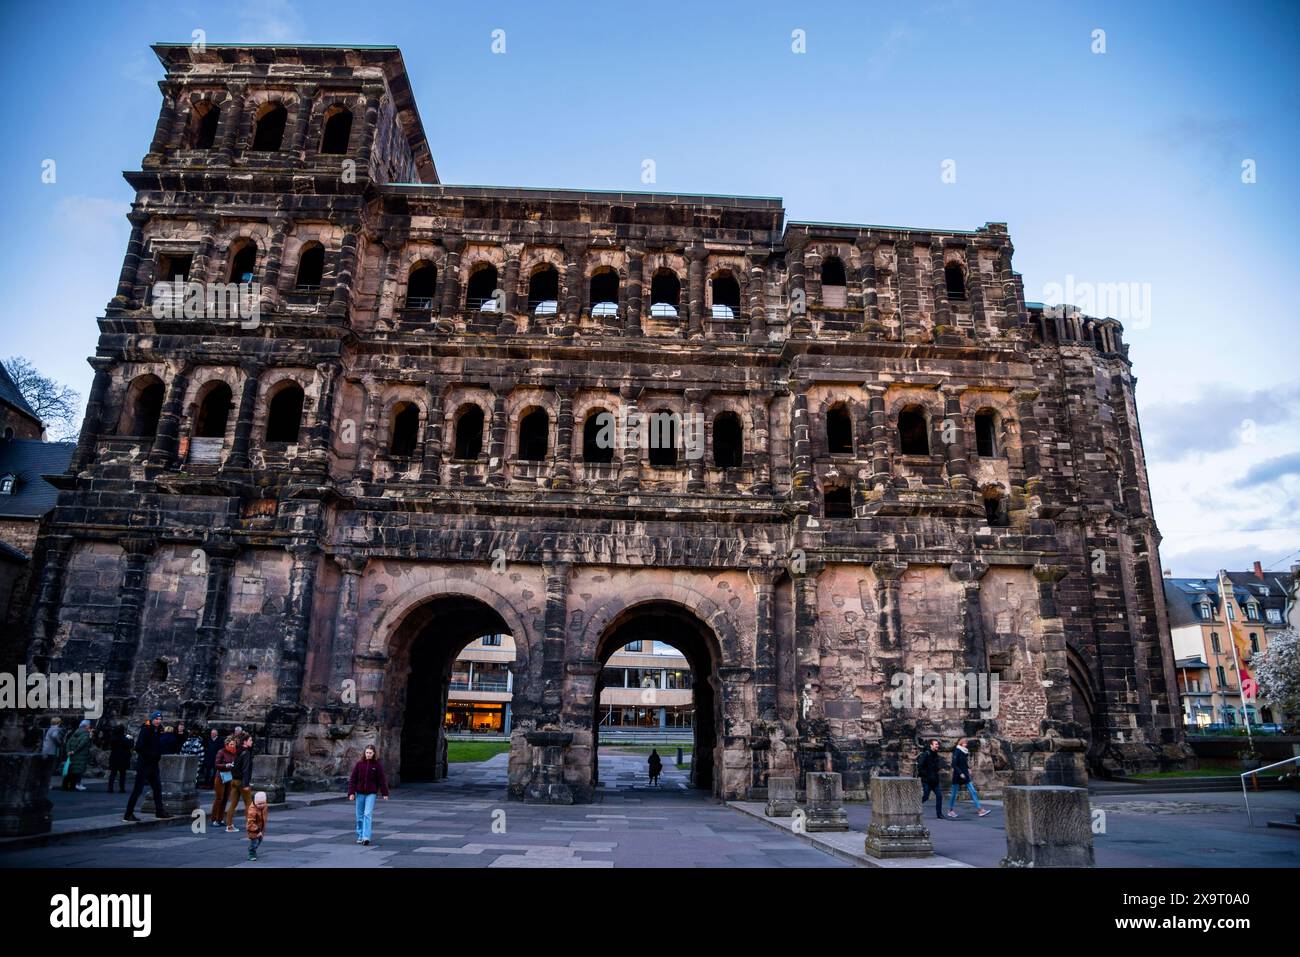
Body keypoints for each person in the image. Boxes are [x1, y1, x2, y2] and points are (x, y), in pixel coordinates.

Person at [123, 712, 172, 822]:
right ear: (152, 719)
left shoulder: (157, 730)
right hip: (144, 764)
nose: (158, 721)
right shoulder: (146, 730)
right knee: (138, 789)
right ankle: (128, 814)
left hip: (153, 764)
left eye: (160, 719)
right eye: (156, 719)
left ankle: (159, 811)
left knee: (157, 788)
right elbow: (139, 747)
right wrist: (151, 755)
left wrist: (156, 755)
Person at [347, 744, 389, 846]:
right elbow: (353, 779)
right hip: (360, 793)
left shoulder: (377, 765)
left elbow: (382, 780)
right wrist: (351, 793)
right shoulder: (359, 764)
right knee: (359, 816)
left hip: (371, 793)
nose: (368, 754)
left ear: (374, 753)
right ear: (364, 753)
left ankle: (366, 837)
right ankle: (360, 835)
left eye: (370, 753)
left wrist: (385, 793)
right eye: (367, 752)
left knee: (367, 814)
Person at [947, 737, 991, 819]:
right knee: (954, 794)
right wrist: (960, 773)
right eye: (964, 743)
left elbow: (964, 763)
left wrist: (968, 769)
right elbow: (954, 764)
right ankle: (950, 810)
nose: (966, 744)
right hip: (958, 775)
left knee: (973, 791)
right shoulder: (957, 751)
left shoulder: (965, 752)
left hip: (965, 774)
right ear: (961, 743)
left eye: (966, 743)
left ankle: (980, 810)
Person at [225, 732, 256, 833]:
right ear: (245, 742)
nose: (252, 742)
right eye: (250, 740)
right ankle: (250, 825)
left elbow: (232, 765)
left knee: (233, 804)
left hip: (234, 780)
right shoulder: (246, 753)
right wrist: (246, 784)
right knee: (249, 804)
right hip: (242, 781)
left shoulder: (236, 751)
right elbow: (245, 769)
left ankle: (229, 825)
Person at [210, 734, 239, 827]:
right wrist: (226, 765)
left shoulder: (235, 753)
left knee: (225, 798)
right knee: (219, 798)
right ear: (227, 744)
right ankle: (214, 819)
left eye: (234, 744)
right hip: (220, 776)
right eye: (231, 744)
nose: (233, 746)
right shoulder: (221, 752)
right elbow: (216, 764)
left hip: (229, 776)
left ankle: (220, 818)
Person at [916, 739, 945, 820]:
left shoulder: (935, 754)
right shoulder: (926, 754)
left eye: (937, 744)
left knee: (939, 796)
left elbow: (936, 766)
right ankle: (914, 806)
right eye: (936, 744)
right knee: (926, 796)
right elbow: (920, 766)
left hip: (935, 780)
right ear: (931, 745)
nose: (937, 745)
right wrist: (926, 774)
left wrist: (937, 769)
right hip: (927, 780)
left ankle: (939, 814)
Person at [61, 720, 94, 791]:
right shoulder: (86, 734)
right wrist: (74, 751)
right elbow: (82, 744)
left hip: (72, 755)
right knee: (76, 772)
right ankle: (72, 786)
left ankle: (65, 786)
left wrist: (68, 751)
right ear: (87, 726)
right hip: (80, 755)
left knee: (70, 771)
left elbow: (68, 742)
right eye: (89, 725)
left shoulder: (75, 732)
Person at [107, 725, 133, 793]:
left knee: (113, 773)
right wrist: (131, 739)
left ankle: (110, 788)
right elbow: (130, 746)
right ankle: (122, 788)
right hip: (123, 757)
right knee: (122, 774)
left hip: (114, 756)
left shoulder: (113, 738)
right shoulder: (125, 738)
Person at [246, 791, 268, 862]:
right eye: (259, 804)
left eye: (263, 803)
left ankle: (253, 850)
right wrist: (257, 831)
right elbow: (250, 822)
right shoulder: (252, 810)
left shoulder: (264, 806)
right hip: (253, 829)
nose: (261, 805)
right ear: (255, 802)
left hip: (261, 827)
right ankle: (251, 853)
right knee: (254, 842)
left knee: (260, 840)